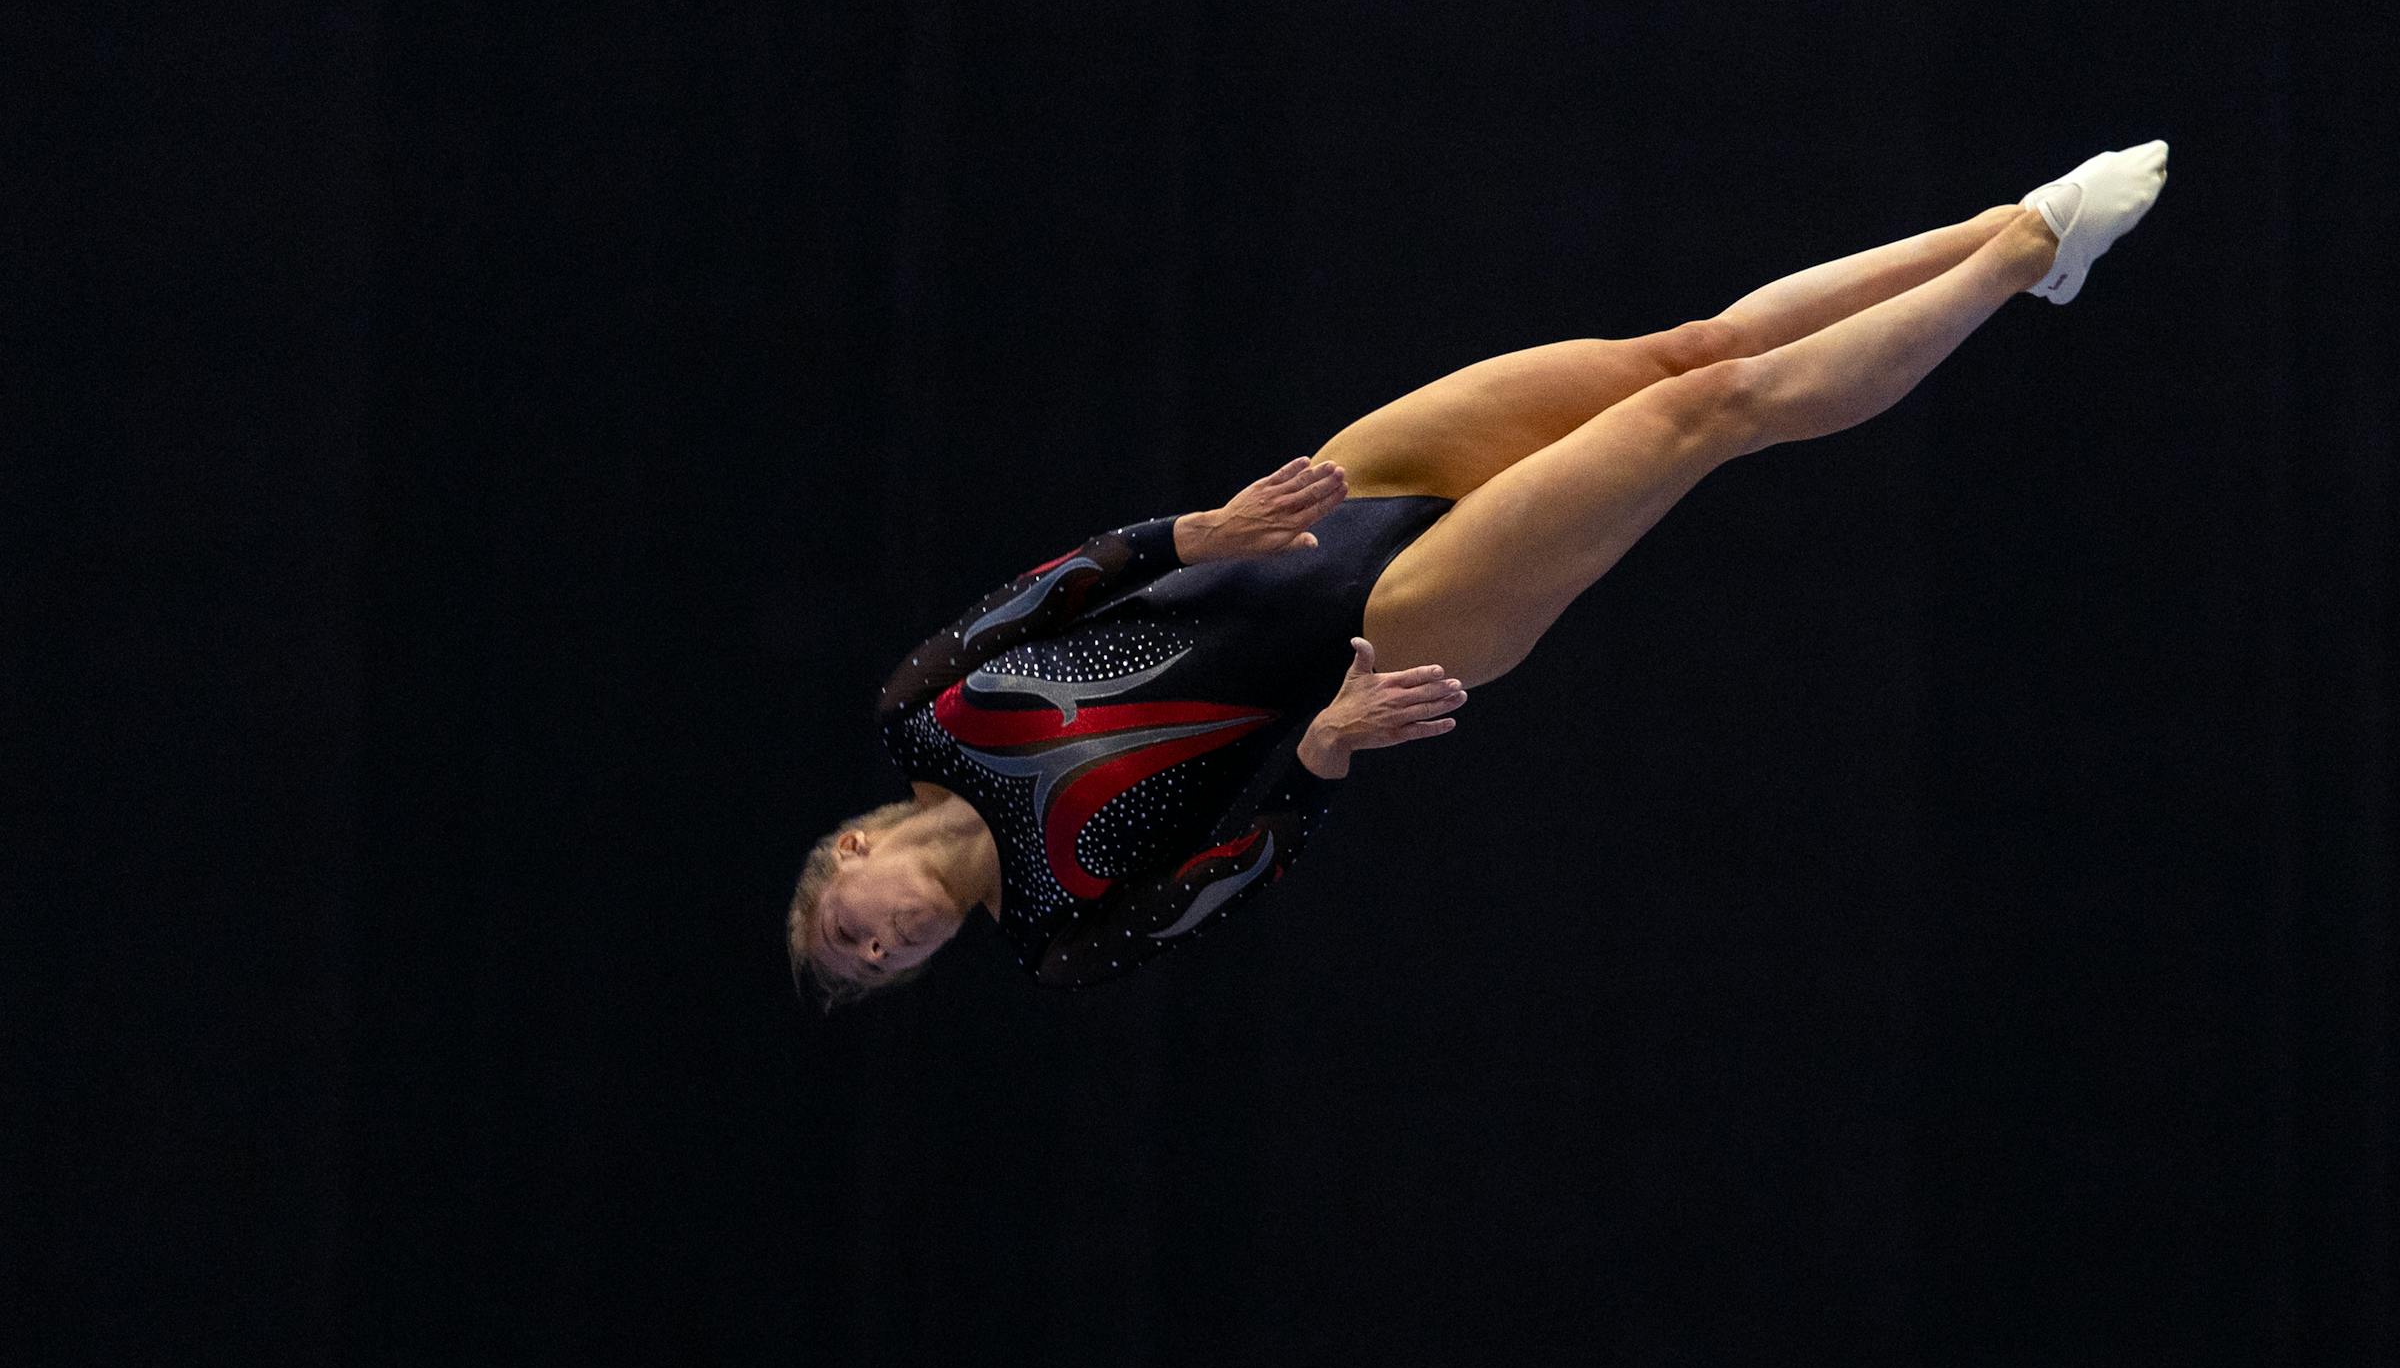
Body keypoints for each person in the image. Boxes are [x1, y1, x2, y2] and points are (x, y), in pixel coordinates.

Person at [790, 141, 2170, 1007]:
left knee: (1675, 353)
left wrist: (1197, 536)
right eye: (884, 972)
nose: (883, 953)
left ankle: (2018, 227)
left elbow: (1059, 584)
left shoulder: (923, 713)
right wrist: (1324, 754)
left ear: (841, 860)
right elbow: (1241, 865)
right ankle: (2027, 253)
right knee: (1708, 416)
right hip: (1379, 637)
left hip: (1320, 500)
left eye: (847, 940)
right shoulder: (1058, 931)